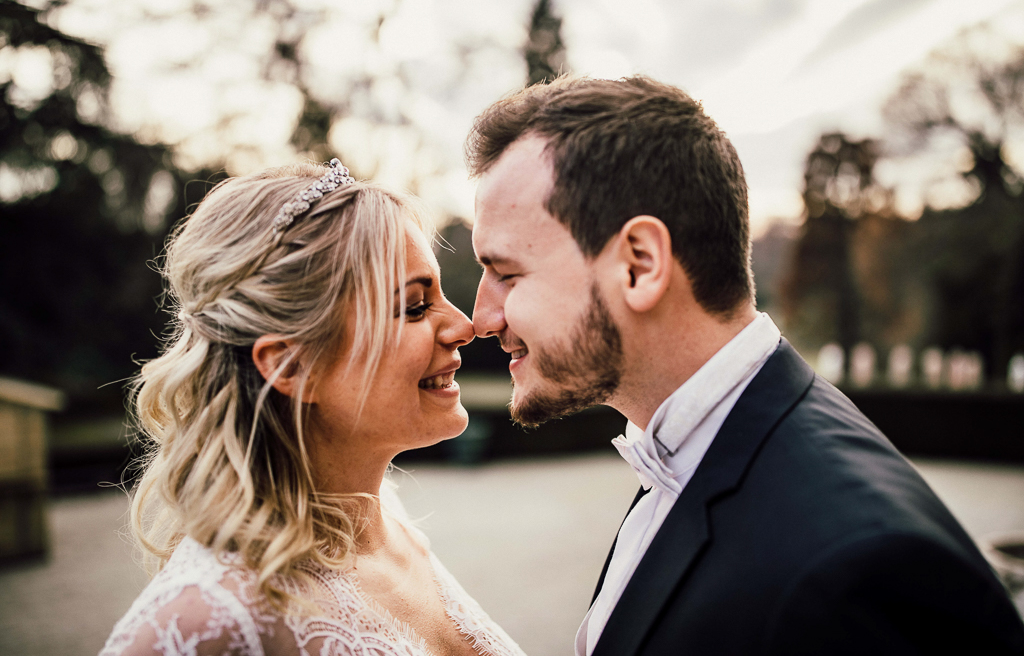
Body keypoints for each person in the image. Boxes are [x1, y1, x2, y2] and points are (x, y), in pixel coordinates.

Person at [466, 75, 1024, 655]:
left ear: (639, 264)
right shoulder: (689, 448)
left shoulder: (858, 570)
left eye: (506, 273)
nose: (481, 317)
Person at [101, 161, 526, 656]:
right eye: (413, 305)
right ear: (292, 365)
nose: (463, 326)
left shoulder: (383, 518)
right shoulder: (208, 615)